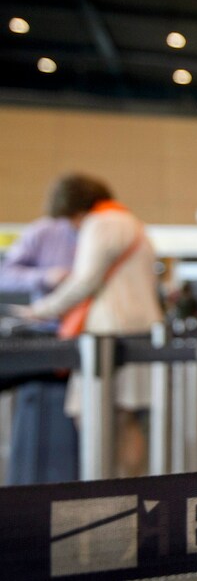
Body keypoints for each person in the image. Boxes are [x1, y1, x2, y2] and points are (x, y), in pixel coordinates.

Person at [18, 174, 163, 478]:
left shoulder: (101, 224)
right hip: (139, 329)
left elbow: (84, 280)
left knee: (89, 413)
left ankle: (105, 493)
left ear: (76, 210)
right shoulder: (130, 222)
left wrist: (39, 310)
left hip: (107, 332)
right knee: (125, 418)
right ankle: (128, 492)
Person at [0, 188, 80, 485]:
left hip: (84, 341)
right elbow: (5, 274)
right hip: (44, 336)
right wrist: (44, 278)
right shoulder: (43, 232)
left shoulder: (98, 234)